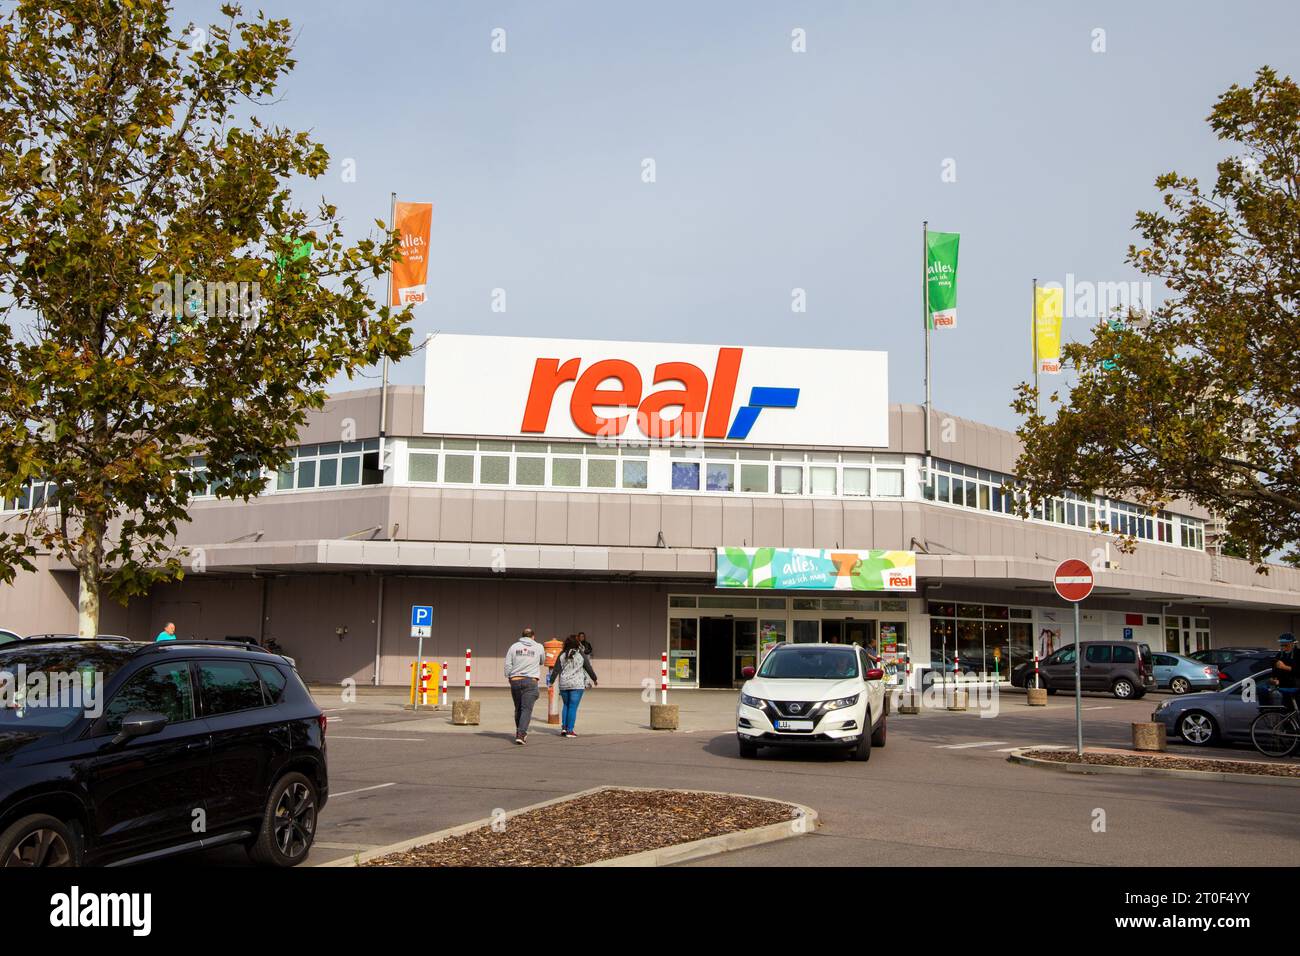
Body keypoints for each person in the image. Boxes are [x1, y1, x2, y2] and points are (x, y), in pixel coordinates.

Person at [548, 634, 598, 737]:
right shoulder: (580, 654)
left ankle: (564, 728)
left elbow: (556, 669)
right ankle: (570, 730)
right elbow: (588, 667)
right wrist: (594, 679)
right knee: (573, 707)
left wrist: (551, 681)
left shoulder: (562, 654)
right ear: (577, 643)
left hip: (564, 684)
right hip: (577, 685)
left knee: (566, 706)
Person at [503, 627, 546, 744]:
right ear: (533, 636)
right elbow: (543, 661)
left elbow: (508, 664)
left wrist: (509, 677)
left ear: (522, 636)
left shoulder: (514, 646)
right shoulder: (539, 647)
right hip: (531, 681)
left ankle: (519, 731)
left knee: (518, 708)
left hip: (515, 680)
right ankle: (521, 734)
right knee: (526, 709)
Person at [1270, 633, 1297, 712]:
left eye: (1285, 645)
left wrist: (1285, 667)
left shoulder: (1298, 654)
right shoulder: (1280, 655)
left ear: (1292, 644)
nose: (1283, 647)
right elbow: (1274, 669)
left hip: (1295, 687)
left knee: (1294, 710)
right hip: (1282, 687)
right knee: (1285, 711)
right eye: (1281, 645)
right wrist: (1273, 679)